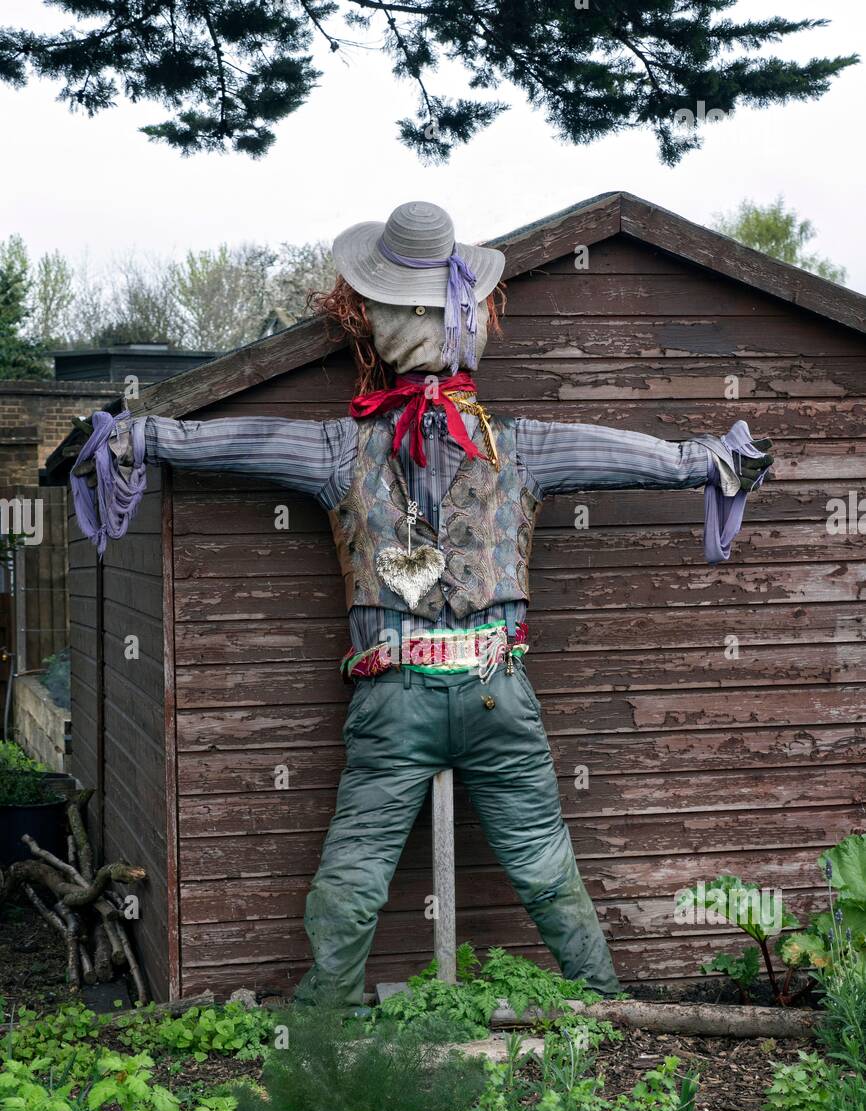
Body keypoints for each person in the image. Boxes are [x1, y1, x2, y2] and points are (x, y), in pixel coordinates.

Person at [72, 200, 772, 1009]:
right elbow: (626, 454)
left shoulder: (354, 446)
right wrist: (709, 460)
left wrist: (139, 436)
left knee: (374, 869)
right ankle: (604, 1013)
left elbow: (234, 442)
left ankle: (341, 1015)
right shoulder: (502, 444)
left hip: (409, 697)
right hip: (484, 689)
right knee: (513, 865)